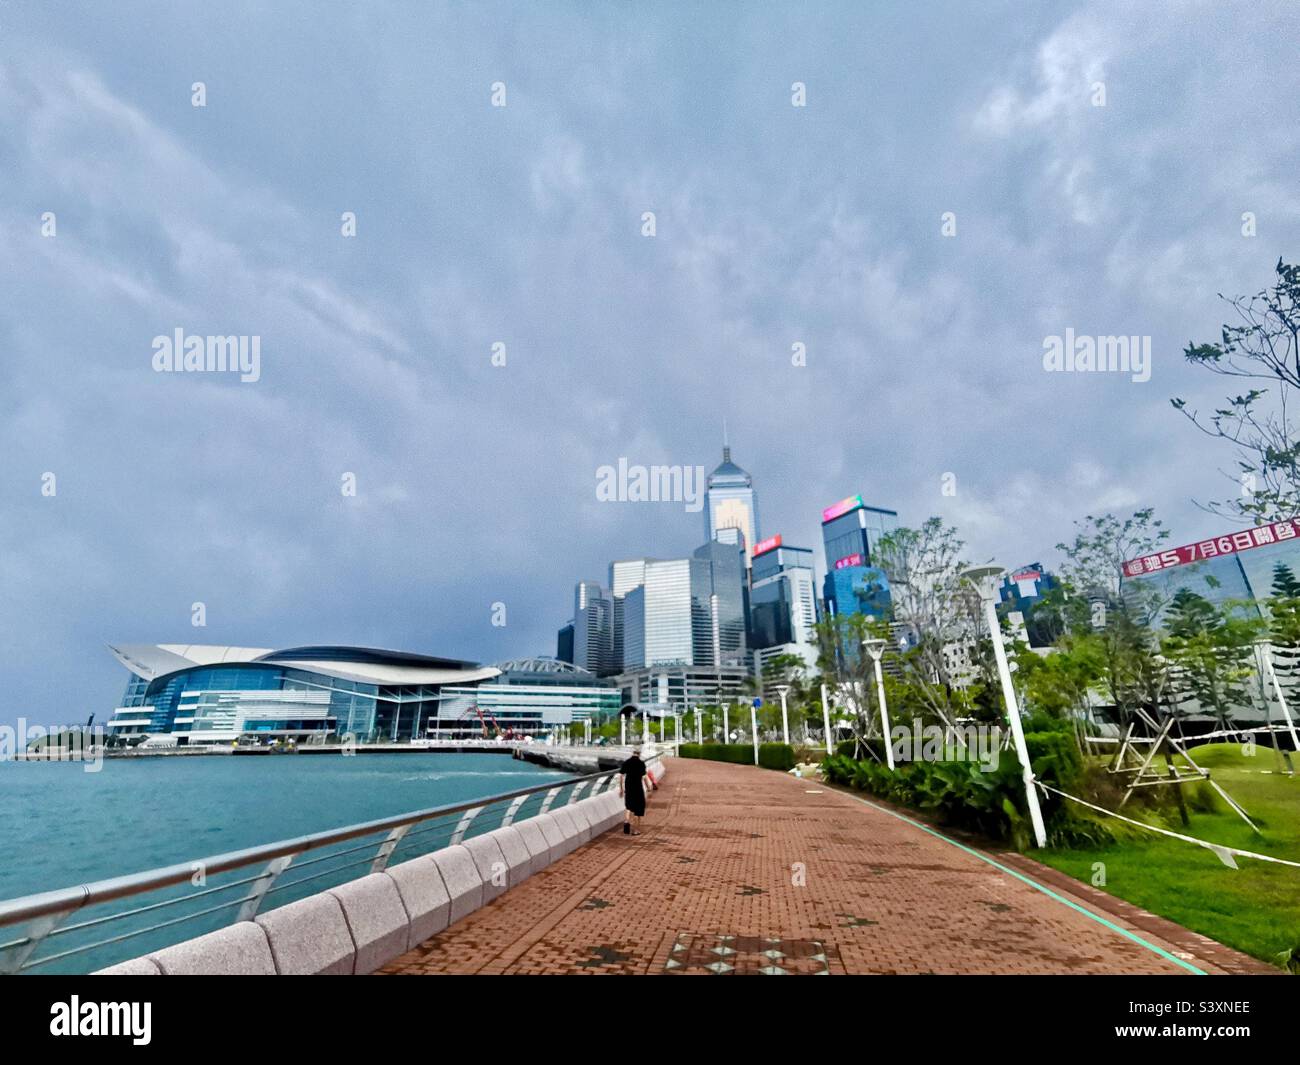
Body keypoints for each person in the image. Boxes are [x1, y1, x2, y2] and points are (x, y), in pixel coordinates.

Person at [619, 745, 654, 835]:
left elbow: (621, 776)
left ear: (633, 753)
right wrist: (649, 787)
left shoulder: (627, 762)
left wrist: (621, 789)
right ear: (639, 754)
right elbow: (645, 777)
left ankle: (627, 821)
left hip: (628, 788)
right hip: (638, 788)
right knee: (638, 809)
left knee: (628, 807)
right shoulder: (641, 763)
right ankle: (635, 830)